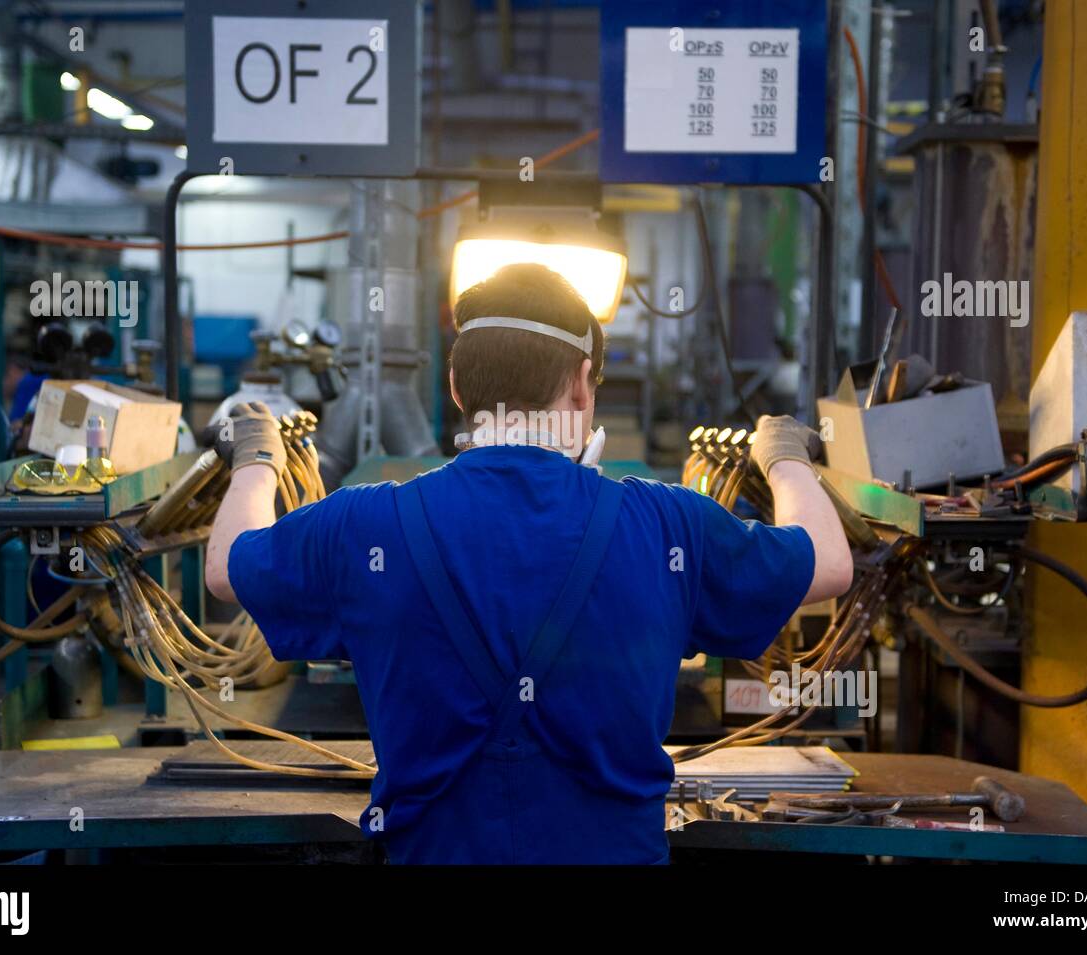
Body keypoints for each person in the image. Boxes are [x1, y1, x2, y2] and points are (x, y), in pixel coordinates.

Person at [204, 263, 853, 864]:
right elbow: (828, 563)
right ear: (580, 384)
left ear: (458, 387)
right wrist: (785, 456)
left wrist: (258, 461)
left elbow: (227, 570)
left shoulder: (363, 525)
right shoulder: (666, 526)